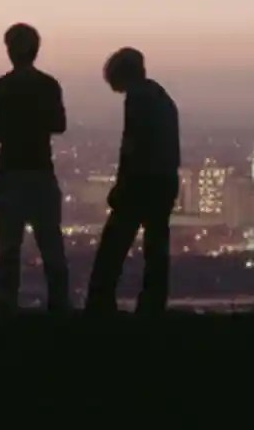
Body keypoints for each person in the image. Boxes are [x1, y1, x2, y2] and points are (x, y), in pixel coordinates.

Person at [86, 48, 180, 317]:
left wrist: (122, 185)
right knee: (156, 247)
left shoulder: (138, 99)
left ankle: (100, 301)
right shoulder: (160, 96)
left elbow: (132, 147)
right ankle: (153, 304)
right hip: (163, 182)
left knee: (114, 244)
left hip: (141, 183)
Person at [0, 23, 70, 314]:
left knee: (9, 246)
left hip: (10, 170)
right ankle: (60, 302)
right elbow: (59, 125)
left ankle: (6, 301)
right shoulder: (48, 85)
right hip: (40, 169)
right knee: (50, 241)